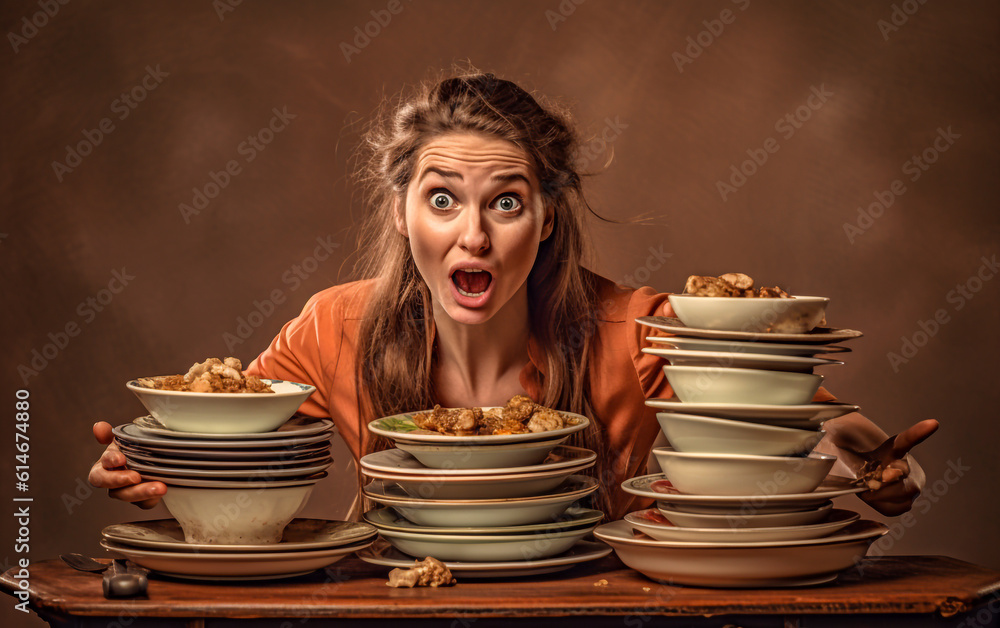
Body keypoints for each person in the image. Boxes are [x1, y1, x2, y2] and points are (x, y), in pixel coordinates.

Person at [89, 70, 938, 521]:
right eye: (442, 199)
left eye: (506, 202)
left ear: (548, 219)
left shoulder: (635, 328)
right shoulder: (334, 326)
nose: (474, 237)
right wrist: (149, 462)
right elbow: (232, 427)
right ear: (401, 211)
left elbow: (793, 410)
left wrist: (872, 456)